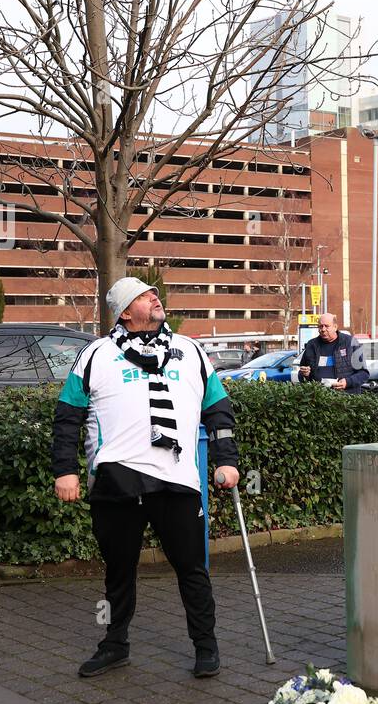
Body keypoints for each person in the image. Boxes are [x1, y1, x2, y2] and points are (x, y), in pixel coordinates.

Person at [52, 278, 240, 679]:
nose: (154, 297)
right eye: (142, 295)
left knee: (191, 567)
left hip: (177, 480)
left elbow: (219, 412)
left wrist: (226, 460)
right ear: (124, 312)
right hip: (116, 479)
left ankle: (206, 646)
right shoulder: (95, 355)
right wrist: (65, 470)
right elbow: (67, 418)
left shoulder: (190, 351)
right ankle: (115, 644)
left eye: (153, 292)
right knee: (119, 569)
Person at [297, 313, 370, 394]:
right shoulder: (311, 345)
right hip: (319, 397)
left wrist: (347, 382)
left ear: (335, 327)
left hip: (346, 399)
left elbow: (364, 373)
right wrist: (305, 374)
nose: (323, 329)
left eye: (327, 326)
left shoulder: (350, 342)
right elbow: (301, 372)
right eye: (320, 326)